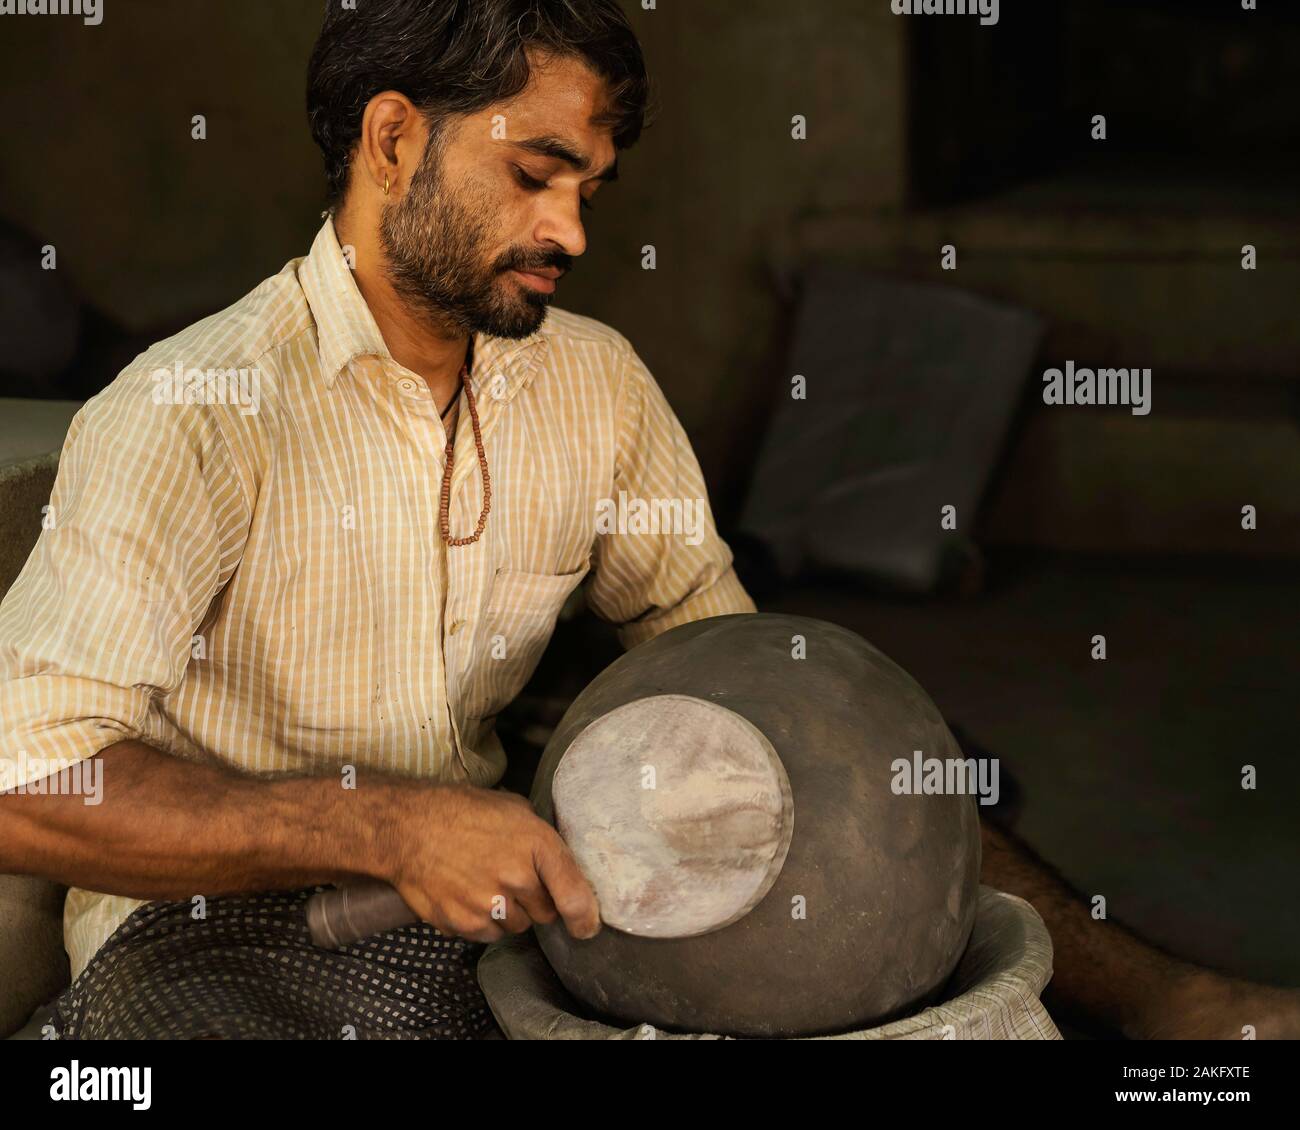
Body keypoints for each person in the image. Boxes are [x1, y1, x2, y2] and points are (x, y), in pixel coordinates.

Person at [0, 0, 1293, 1040]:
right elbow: (20, 785)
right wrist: (386, 824)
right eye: (534, 172)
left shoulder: (592, 380)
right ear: (393, 139)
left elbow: (724, 652)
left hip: (506, 880)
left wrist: (838, 765)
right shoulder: (193, 411)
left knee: (884, 770)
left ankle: (1157, 1001)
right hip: (226, 933)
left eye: (592, 189)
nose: (568, 228)